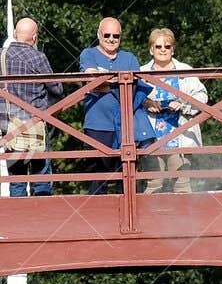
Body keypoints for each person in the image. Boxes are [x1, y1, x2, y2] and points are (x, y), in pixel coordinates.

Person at [79, 17, 145, 194]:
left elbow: (135, 88)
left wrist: (106, 83)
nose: (111, 39)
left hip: (126, 126)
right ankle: (97, 218)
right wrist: (117, 83)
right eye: (107, 34)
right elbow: (92, 79)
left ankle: (129, 219)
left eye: (116, 35)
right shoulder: (89, 54)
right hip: (97, 125)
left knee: (127, 178)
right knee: (97, 179)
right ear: (98, 34)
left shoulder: (129, 58)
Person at [139, 29, 207, 194]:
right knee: (153, 185)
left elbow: (202, 96)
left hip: (180, 136)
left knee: (182, 186)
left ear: (173, 49)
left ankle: (185, 220)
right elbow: (132, 98)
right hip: (151, 138)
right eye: (158, 46)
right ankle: (149, 219)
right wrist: (146, 102)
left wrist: (183, 104)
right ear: (151, 49)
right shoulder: (140, 72)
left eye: (167, 46)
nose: (163, 50)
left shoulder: (185, 69)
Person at [0, 18, 62, 195]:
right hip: (36, 124)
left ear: (14, 35)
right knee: (41, 174)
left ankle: (19, 218)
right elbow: (57, 88)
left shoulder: (1, 55)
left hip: (10, 126)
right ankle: (42, 216)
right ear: (35, 37)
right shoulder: (38, 57)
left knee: (17, 178)